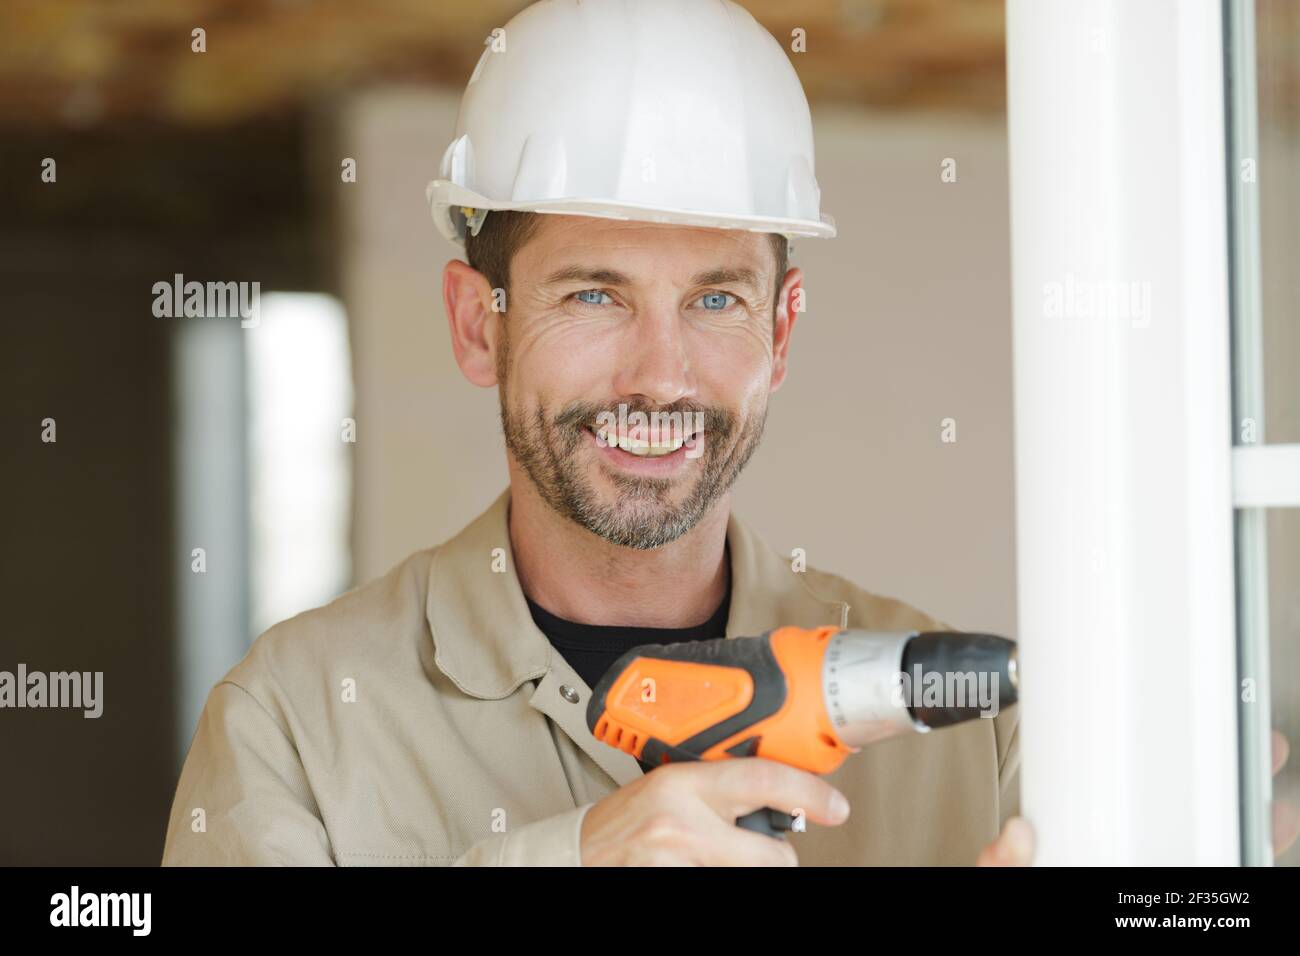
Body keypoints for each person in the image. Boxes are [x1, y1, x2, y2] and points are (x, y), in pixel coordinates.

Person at [162, 0, 1030, 867]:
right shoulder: (295, 723)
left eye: (716, 299)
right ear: (478, 325)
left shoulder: (968, 735)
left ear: (781, 333)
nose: (660, 376)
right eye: (594, 295)